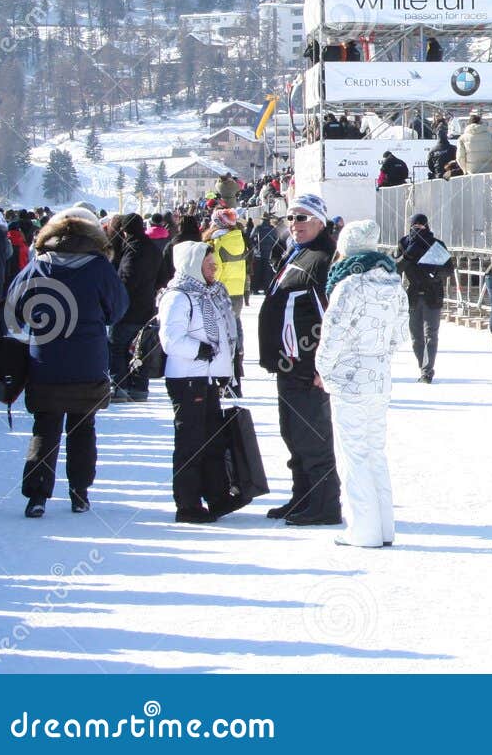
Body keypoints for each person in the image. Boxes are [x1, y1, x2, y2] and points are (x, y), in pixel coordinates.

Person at [7, 208, 128, 517]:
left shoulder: (39, 264)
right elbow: (117, 308)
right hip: (89, 360)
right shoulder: (100, 267)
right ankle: (80, 493)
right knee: (83, 427)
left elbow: (14, 305)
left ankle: (37, 495)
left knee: (45, 426)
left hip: (46, 359)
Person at [316, 220, 408, 549]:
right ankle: (384, 527)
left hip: (348, 379)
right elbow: (401, 335)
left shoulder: (349, 284)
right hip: (379, 378)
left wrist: (324, 369)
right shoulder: (394, 284)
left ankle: (363, 529)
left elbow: (332, 336)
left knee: (353, 455)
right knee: (375, 452)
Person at [257, 193, 342, 527]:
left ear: (320, 221)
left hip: (308, 367)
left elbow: (330, 316)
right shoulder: (297, 253)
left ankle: (324, 504)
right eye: (290, 218)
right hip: (287, 364)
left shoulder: (322, 257)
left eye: (302, 218)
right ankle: (302, 495)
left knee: (312, 436)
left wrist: (324, 364)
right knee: (293, 434)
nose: (294, 225)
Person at [158, 241, 247, 523]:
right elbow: (170, 339)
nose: (214, 268)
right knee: (191, 441)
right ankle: (188, 504)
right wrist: (199, 350)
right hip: (188, 378)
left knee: (212, 438)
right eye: (208, 264)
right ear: (192, 265)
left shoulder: (213, 294)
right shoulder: (179, 296)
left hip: (207, 376)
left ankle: (217, 495)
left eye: (215, 264)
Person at [109, 213, 163, 402]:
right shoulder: (153, 249)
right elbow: (163, 276)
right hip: (147, 306)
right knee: (141, 349)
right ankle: (139, 388)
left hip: (128, 309)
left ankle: (119, 387)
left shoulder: (132, 249)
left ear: (124, 231)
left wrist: (117, 295)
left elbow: (128, 278)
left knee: (118, 346)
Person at [394, 214, 453, 384]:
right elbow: (395, 269)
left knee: (431, 335)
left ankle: (427, 372)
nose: (418, 230)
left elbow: (449, 269)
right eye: (414, 227)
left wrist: (435, 272)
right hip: (412, 294)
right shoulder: (404, 243)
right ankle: (423, 366)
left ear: (427, 227)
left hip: (432, 294)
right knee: (415, 337)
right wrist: (407, 256)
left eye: (421, 227)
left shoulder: (436, 244)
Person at [247, 212, 280, 295]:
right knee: (267, 271)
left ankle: (255, 289)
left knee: (258, 271)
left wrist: (255, 249)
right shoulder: (270, 228)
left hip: (261, 252)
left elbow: (251, 239)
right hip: (267, 252)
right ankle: (265, 288)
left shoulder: (259, 227)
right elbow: (277, 240)